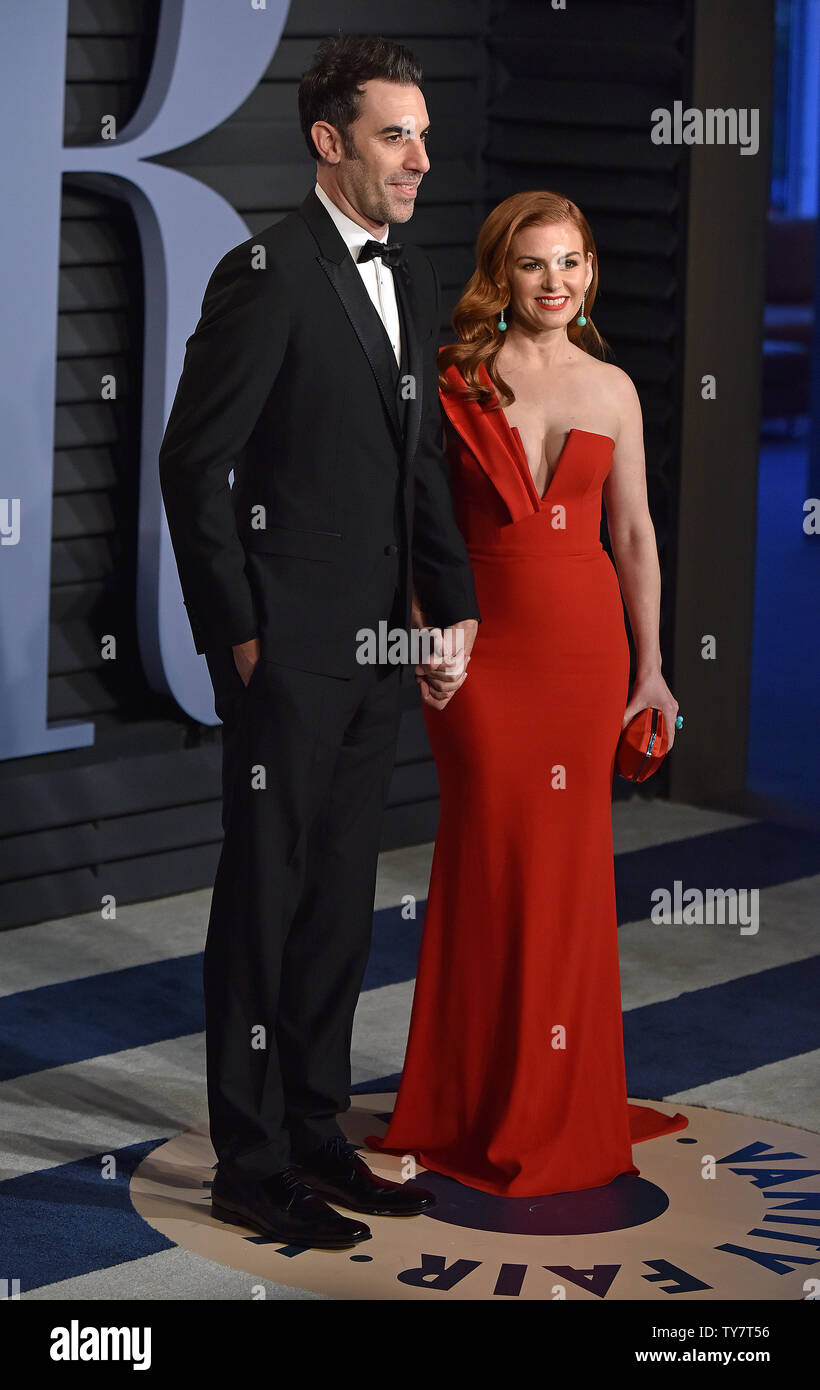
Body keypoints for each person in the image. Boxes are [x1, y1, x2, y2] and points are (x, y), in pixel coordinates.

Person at [158, 34, 478, 1249]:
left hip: (379, 650)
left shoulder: (414, 268)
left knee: (341, 898)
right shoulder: (268, 270)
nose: (420, 158)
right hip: (286, 652)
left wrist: (448, 610)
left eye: (424, 132)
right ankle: (249, 1160)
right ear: (328, 142)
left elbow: (420, 462)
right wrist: (237, 632)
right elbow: (195, 464)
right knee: (266, 899)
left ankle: (313, 1129)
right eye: (396, 134)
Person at [367, 191, 688, 1197]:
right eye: (534, 265)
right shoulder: (456, 378)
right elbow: (416, 522)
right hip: (481, 656)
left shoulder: (615, 389)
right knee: (489, 859)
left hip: (586, 657)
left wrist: (651, 666)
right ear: (499, 275)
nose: (556, 282)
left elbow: (632, 536)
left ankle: (561, 1097)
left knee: (568, 873)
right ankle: (469, 1097)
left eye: (572, 263)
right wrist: (427, 630)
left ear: (590, 273)